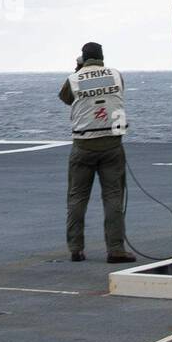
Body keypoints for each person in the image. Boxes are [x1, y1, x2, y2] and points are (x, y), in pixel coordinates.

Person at [58, 42, 135, 264]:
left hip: (83, 145)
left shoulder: (74, 79)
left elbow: (66, 99)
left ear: (83, 58)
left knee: (77, 197)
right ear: (102, 57)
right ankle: (116, 249)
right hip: (112, 144)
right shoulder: (116, 75)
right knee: (112, 197)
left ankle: (75, 248)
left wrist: (78, 71)